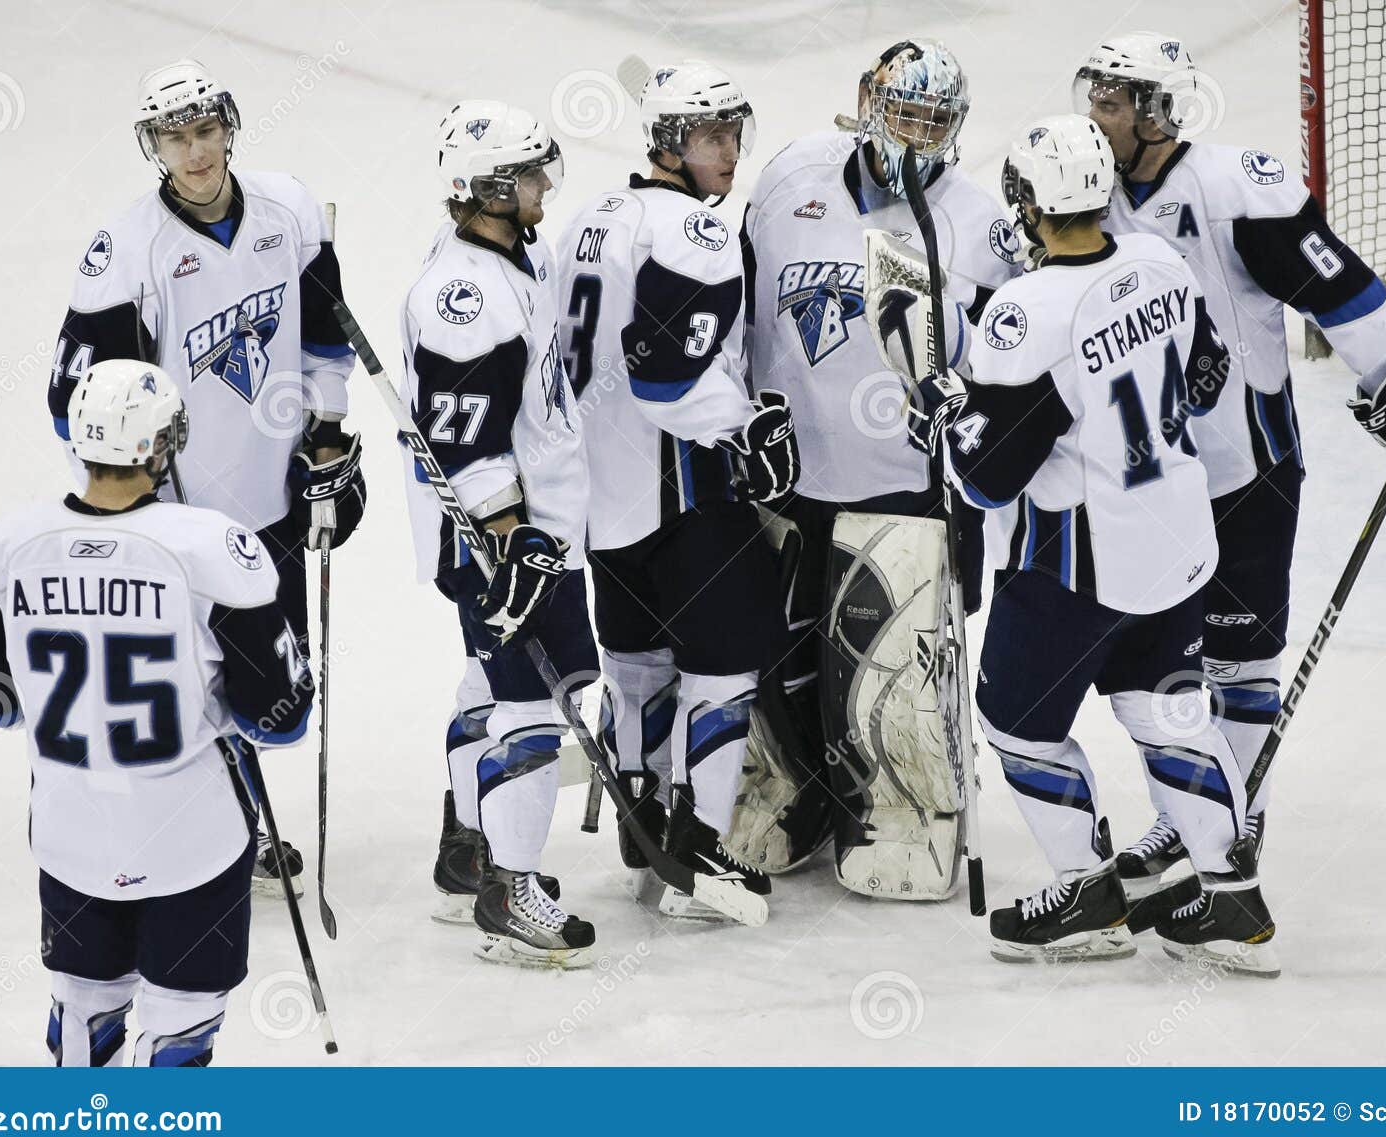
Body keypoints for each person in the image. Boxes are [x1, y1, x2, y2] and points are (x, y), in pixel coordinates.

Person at [1075, 33, 1386, 893]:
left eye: (1109, 101)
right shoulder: (1086, 191)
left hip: (1248, 473)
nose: (1092, 115)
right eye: (1090, 95)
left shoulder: (1231, 187)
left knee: (1239, 663)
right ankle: (1191, 819)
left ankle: (1236, 827)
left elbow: (1334, 280)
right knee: (1170, 666)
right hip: (1152, 485)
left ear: (1156, 112)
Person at [916, 115, 1276, 974]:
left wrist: (944, 410)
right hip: (1179, 544)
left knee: (1017, 724)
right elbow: (1205, 372)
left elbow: (989, 479)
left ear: (1034, 204)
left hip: (1077, 563)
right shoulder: (1159, 261)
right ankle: (1234, 902)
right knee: (1169, 714)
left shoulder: (1024, 311)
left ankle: (1087, 891)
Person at [46, 59, 366, 897]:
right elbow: (75, 402)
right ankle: (227, 833)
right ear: (154, 146)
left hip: (278, 502)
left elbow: (328, 341)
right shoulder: (126, 252)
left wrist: (328, 441)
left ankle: (237, 816)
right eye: (173, 137)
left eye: (204, 130)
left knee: (272, 698)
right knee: (193, 685)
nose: (193, 152)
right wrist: (132, 495)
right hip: (183, 525)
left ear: (228, 125)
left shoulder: (289, 208)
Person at [0, 360, 313, 1064]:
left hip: (71, 836)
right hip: (193, 841)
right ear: (160, 447)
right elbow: (282, 718)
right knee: (178, 1037)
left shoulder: (7, 546)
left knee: (84, 1018)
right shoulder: (212, 548)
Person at [735, 38, 1016, 898]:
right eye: (902, 111)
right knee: (772, 655)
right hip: (784, 478)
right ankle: (794, 791)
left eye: (936, 121)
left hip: (902, 486)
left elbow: (1011, 360)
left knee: (885, 670)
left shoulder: (977, 224)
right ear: (865, 99)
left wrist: (970, 451)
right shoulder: (790, 177)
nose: (916, 134)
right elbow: (741, 304)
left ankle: (899, 803)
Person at [555, 60, 796, 921]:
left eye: (734, 133)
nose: (727, 152)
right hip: (681, 491)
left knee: (638, 667)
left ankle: (643, 823)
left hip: (602, 499)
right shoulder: (692, 230)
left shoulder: (586, 220)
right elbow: (666, 377)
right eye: (709, 136)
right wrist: (745, 426)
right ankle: (700, 849)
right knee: (724, 666)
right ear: (668, 143)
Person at [405, 101, 596, 967]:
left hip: (532, 531)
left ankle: (467, 856)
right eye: (527, 175)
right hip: (502, 540)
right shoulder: (463, 298)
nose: (543, 185)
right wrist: (512, 539)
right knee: (532, 709)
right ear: (485, 189)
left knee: (489, 684)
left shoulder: (523, 252)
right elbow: (462, 441)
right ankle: (512, 893)